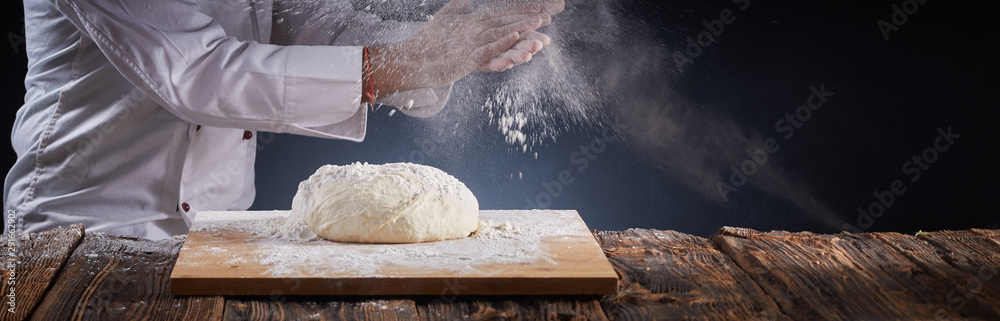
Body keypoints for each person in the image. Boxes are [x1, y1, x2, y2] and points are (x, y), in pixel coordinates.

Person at [5, 0, 564, 239]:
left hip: (217, 236)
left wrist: (451, 46)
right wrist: (407, 62)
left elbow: (313, 25)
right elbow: (201, 74)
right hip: (85, 231)